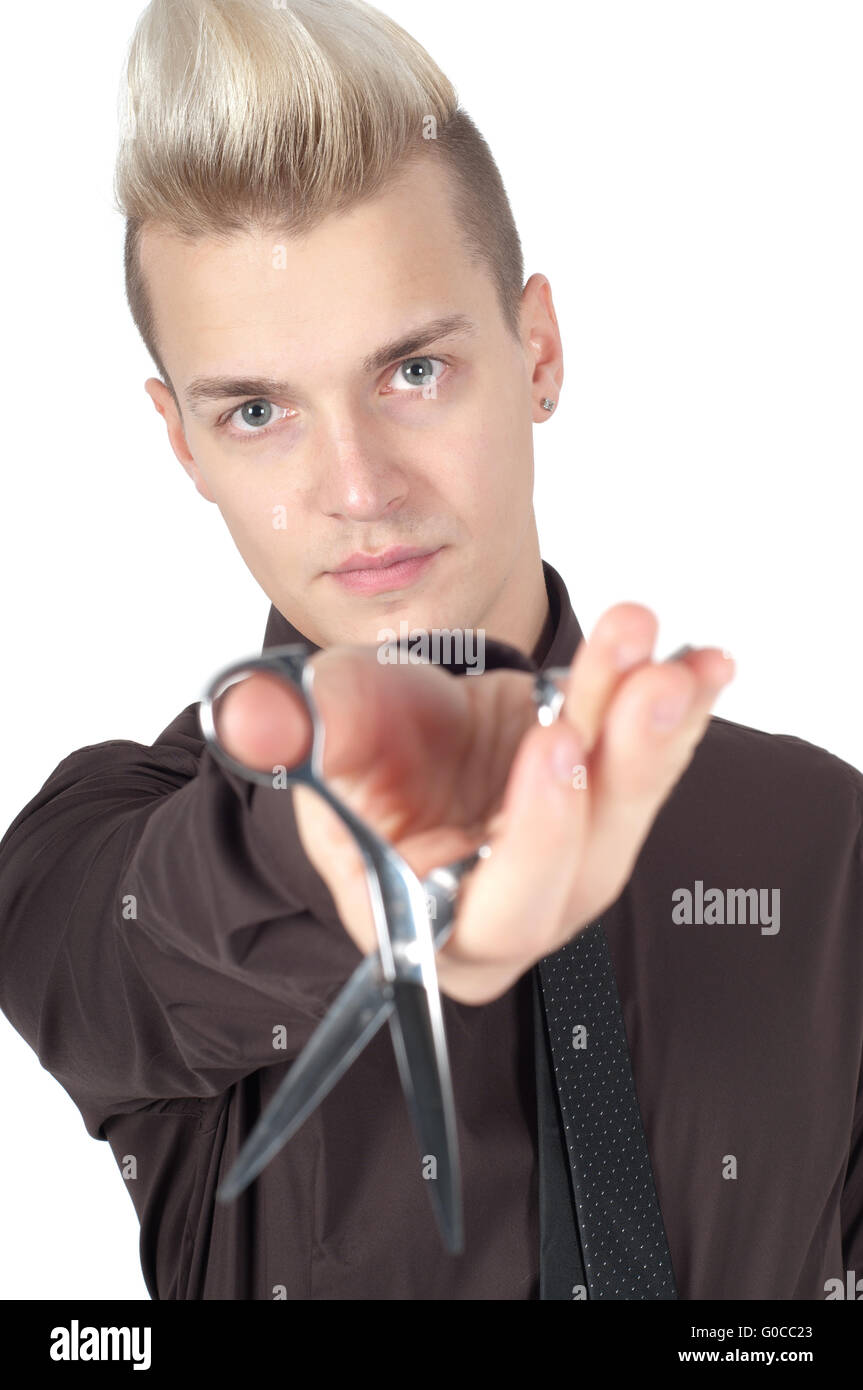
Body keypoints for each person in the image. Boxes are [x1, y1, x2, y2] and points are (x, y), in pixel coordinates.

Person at [0, 0, 859, 1301]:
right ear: (185, 447)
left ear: (537, 351)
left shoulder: (828, 845)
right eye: (256, 410)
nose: (357, 485)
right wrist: (336, 847)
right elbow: (153, 935)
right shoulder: (91, 862)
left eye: (411, 372)